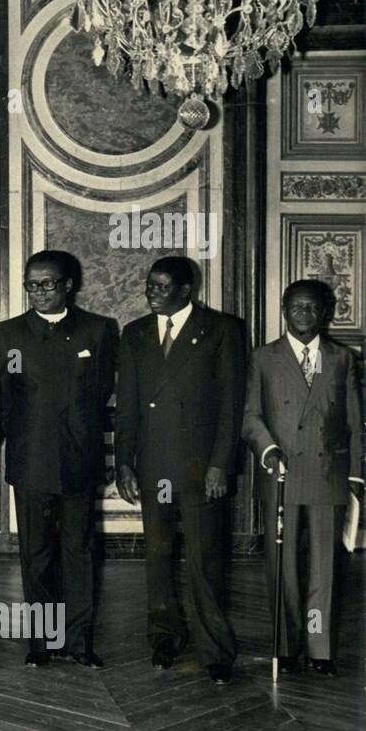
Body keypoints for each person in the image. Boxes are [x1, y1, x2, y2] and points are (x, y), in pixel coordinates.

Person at [115, 256, 247, 685]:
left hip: (199, 467)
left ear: (187, 290)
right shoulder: (134, 334)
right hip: (154, 467)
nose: (151, 292)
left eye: (161, 286)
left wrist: (220, 465)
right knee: (157, 558)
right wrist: (124, 463)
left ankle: (216, 650)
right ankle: (165, 637)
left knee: (206, 561)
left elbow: (231, 406)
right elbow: (129, 406)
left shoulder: (222, 329)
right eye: (149, 284)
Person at [0, 251, 118, 668]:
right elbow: (5, 397)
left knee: (79, 552)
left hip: (80, 462)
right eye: (31, 285)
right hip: (30, 462)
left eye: (47, 284)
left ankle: (80, 642)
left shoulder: (99, 331)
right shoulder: (8, 334)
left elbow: (100, 392)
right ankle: (42, 641)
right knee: (36, 555)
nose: (38, 292)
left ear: (69, 285)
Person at [243, 280, 364, 677]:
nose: (303, 315)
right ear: (283, 309)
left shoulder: (342, 358)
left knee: (324, 568)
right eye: (296, 307)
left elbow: (354, 423)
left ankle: (318, 646)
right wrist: (268, 449)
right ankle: (286, 645)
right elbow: (251, 416)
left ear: (325, 313)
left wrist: (356, 476)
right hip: (281, 474)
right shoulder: (264, 358)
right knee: (284, 567)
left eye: (312, 308)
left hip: (327, 475)